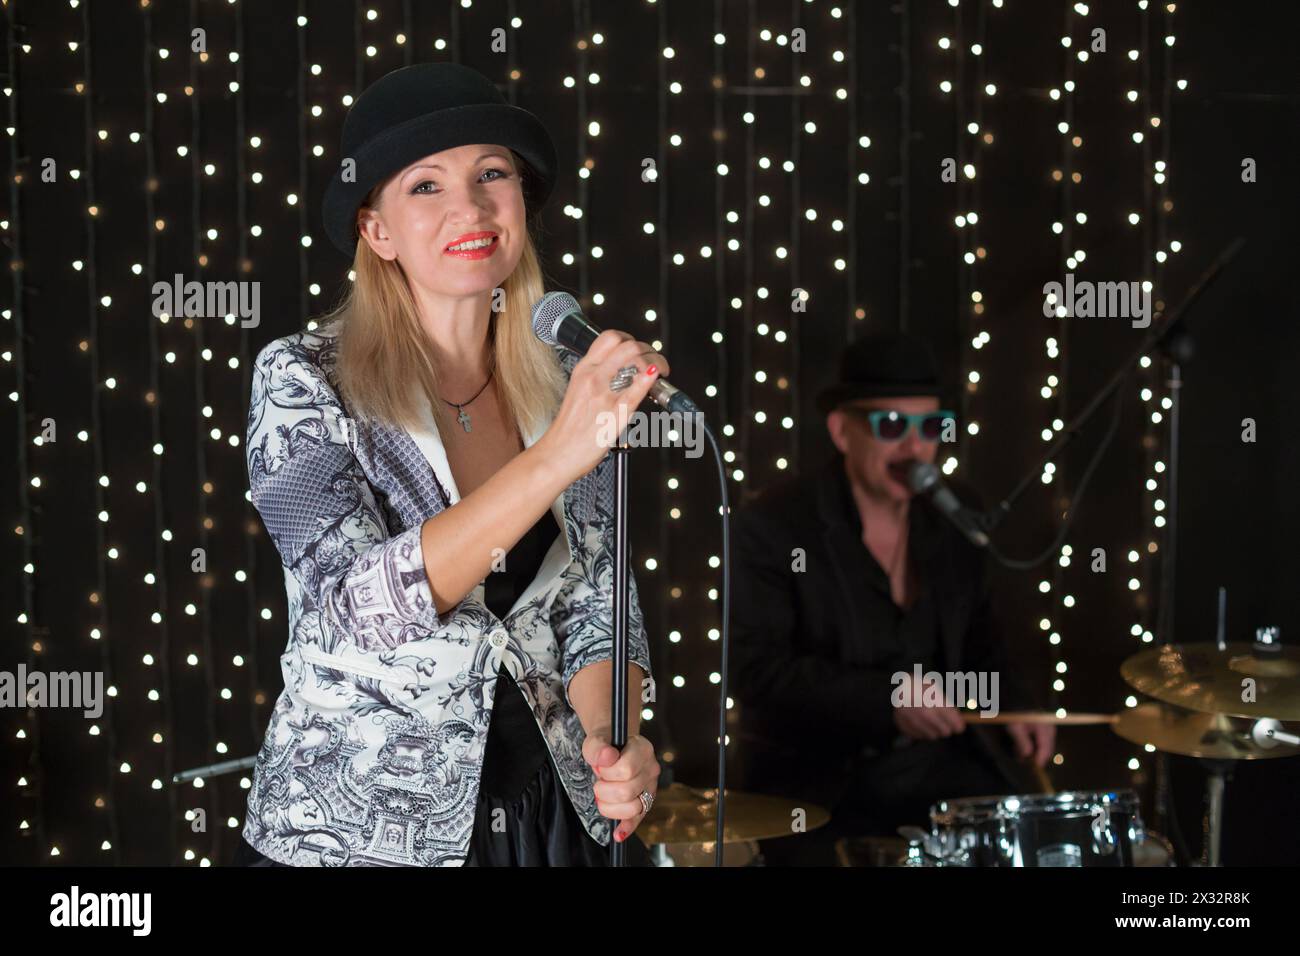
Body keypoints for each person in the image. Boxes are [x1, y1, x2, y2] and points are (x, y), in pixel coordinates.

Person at [233, 63, 663, 866]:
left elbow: (599, 606)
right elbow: (354, 606)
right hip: (361, 830)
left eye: (491, 173)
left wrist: (613, 741)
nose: (469, 206)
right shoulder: (298, 379)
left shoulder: (565, 382)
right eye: (425, 185)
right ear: (378, 232)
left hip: (548, 817)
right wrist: (559, 455)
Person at [729, 331, 1055, 866]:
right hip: (817, 785)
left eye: (930, 426)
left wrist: (1015, 701)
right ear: (842, 431)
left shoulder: (955, 515)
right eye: (891, 426)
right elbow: (756, 671)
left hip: (937, 770)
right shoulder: (774, 526)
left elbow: (983, 635)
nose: (915, 448)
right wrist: (887, 699)